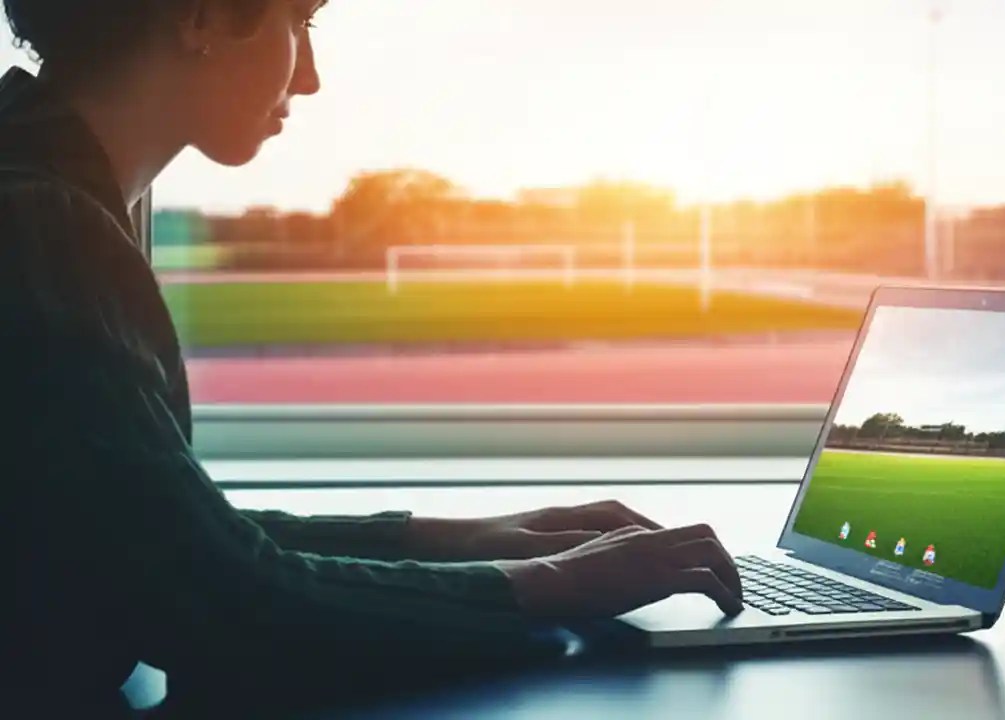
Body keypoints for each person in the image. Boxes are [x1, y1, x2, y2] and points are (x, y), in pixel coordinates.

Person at [0, 0, 743, 703]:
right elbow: (216, 600)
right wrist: (552, 582)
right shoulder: (44, 226)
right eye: (301, 17)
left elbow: (157, 537)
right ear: (199, 15)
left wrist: (464, 540)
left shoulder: (41, 191)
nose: (311, 74)